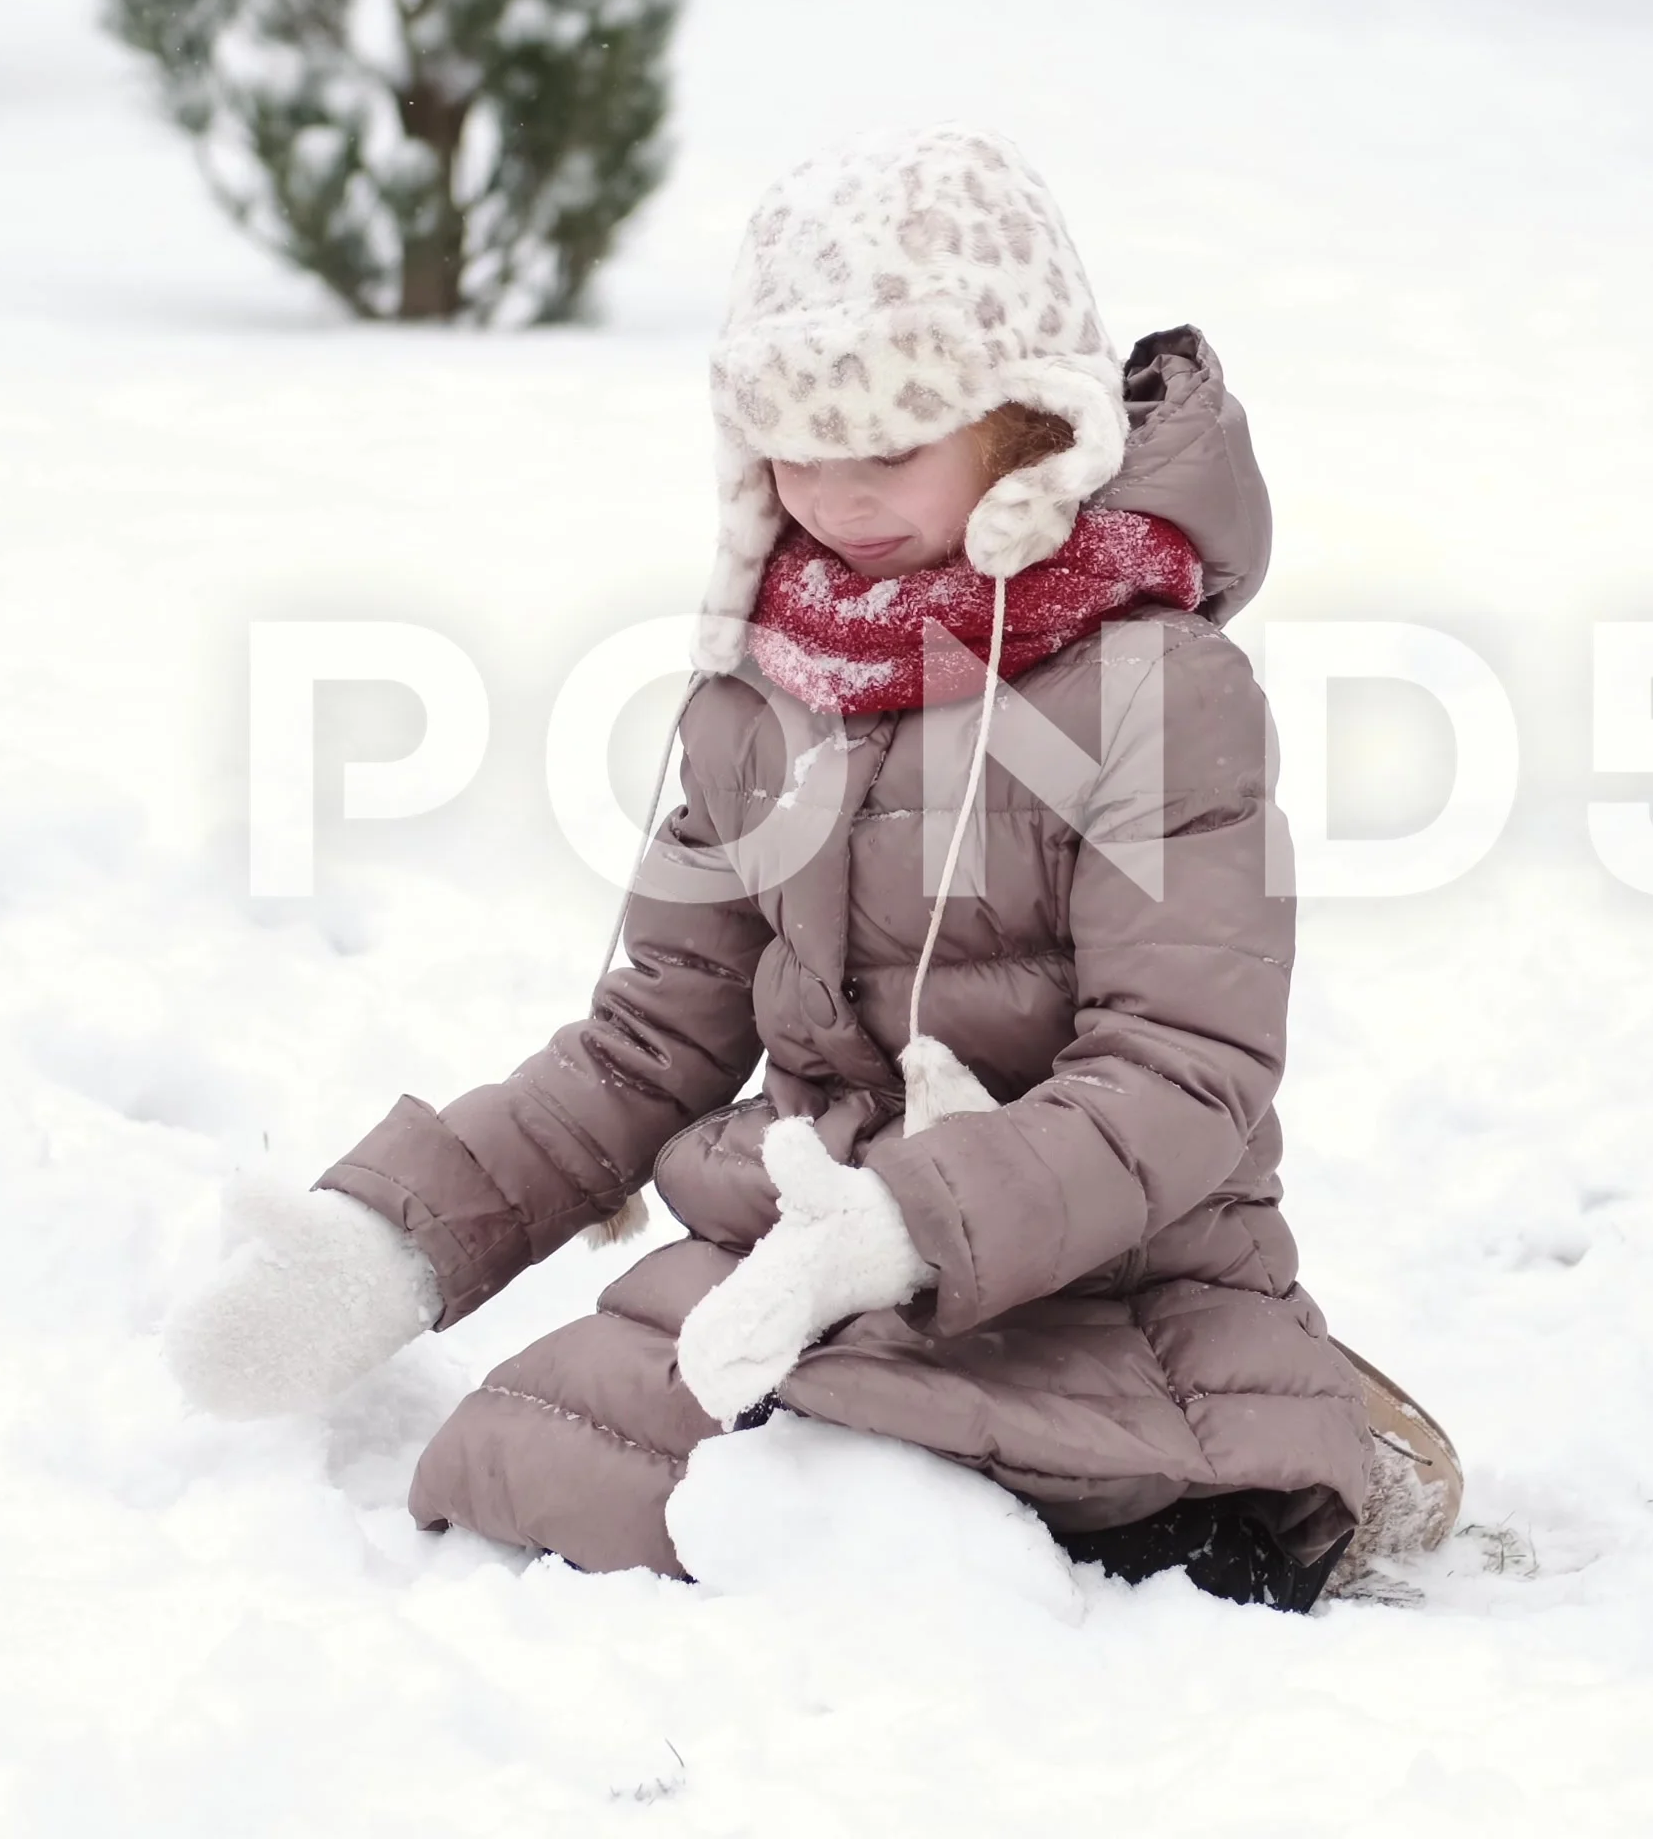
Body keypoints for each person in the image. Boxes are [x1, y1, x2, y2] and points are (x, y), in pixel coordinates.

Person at [162, 125, 1452, 1610]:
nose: (834, 498)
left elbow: (1185, 1068)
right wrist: (392, 1244)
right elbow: (651, 1043)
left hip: (1102, 1280)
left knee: (924, 1547)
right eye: (797, 444)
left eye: (890, 446)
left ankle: (1269, 1426)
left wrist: (906, 1226)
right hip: (787, 1266)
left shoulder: (1156, 691)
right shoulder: (761, 694)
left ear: (1026, 427)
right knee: (530, 1467)